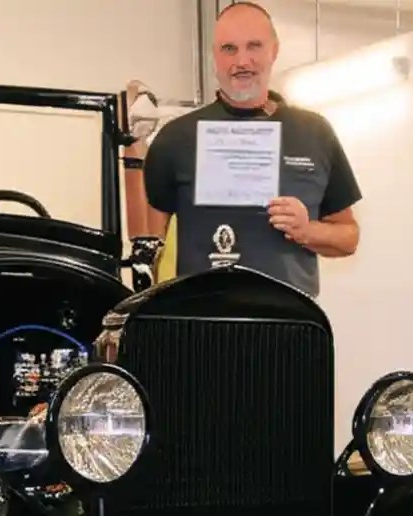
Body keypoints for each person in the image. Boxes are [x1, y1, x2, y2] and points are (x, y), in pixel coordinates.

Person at [139, 1, 362, 298]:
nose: (242, 61)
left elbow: (348, 236)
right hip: (202, 317)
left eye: (254, 46)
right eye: (229, 49)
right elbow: (147, 246)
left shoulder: (314, 133)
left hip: (286, 318)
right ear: (215, 56)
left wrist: (307, 230)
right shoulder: (175, 139)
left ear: (274, 50)